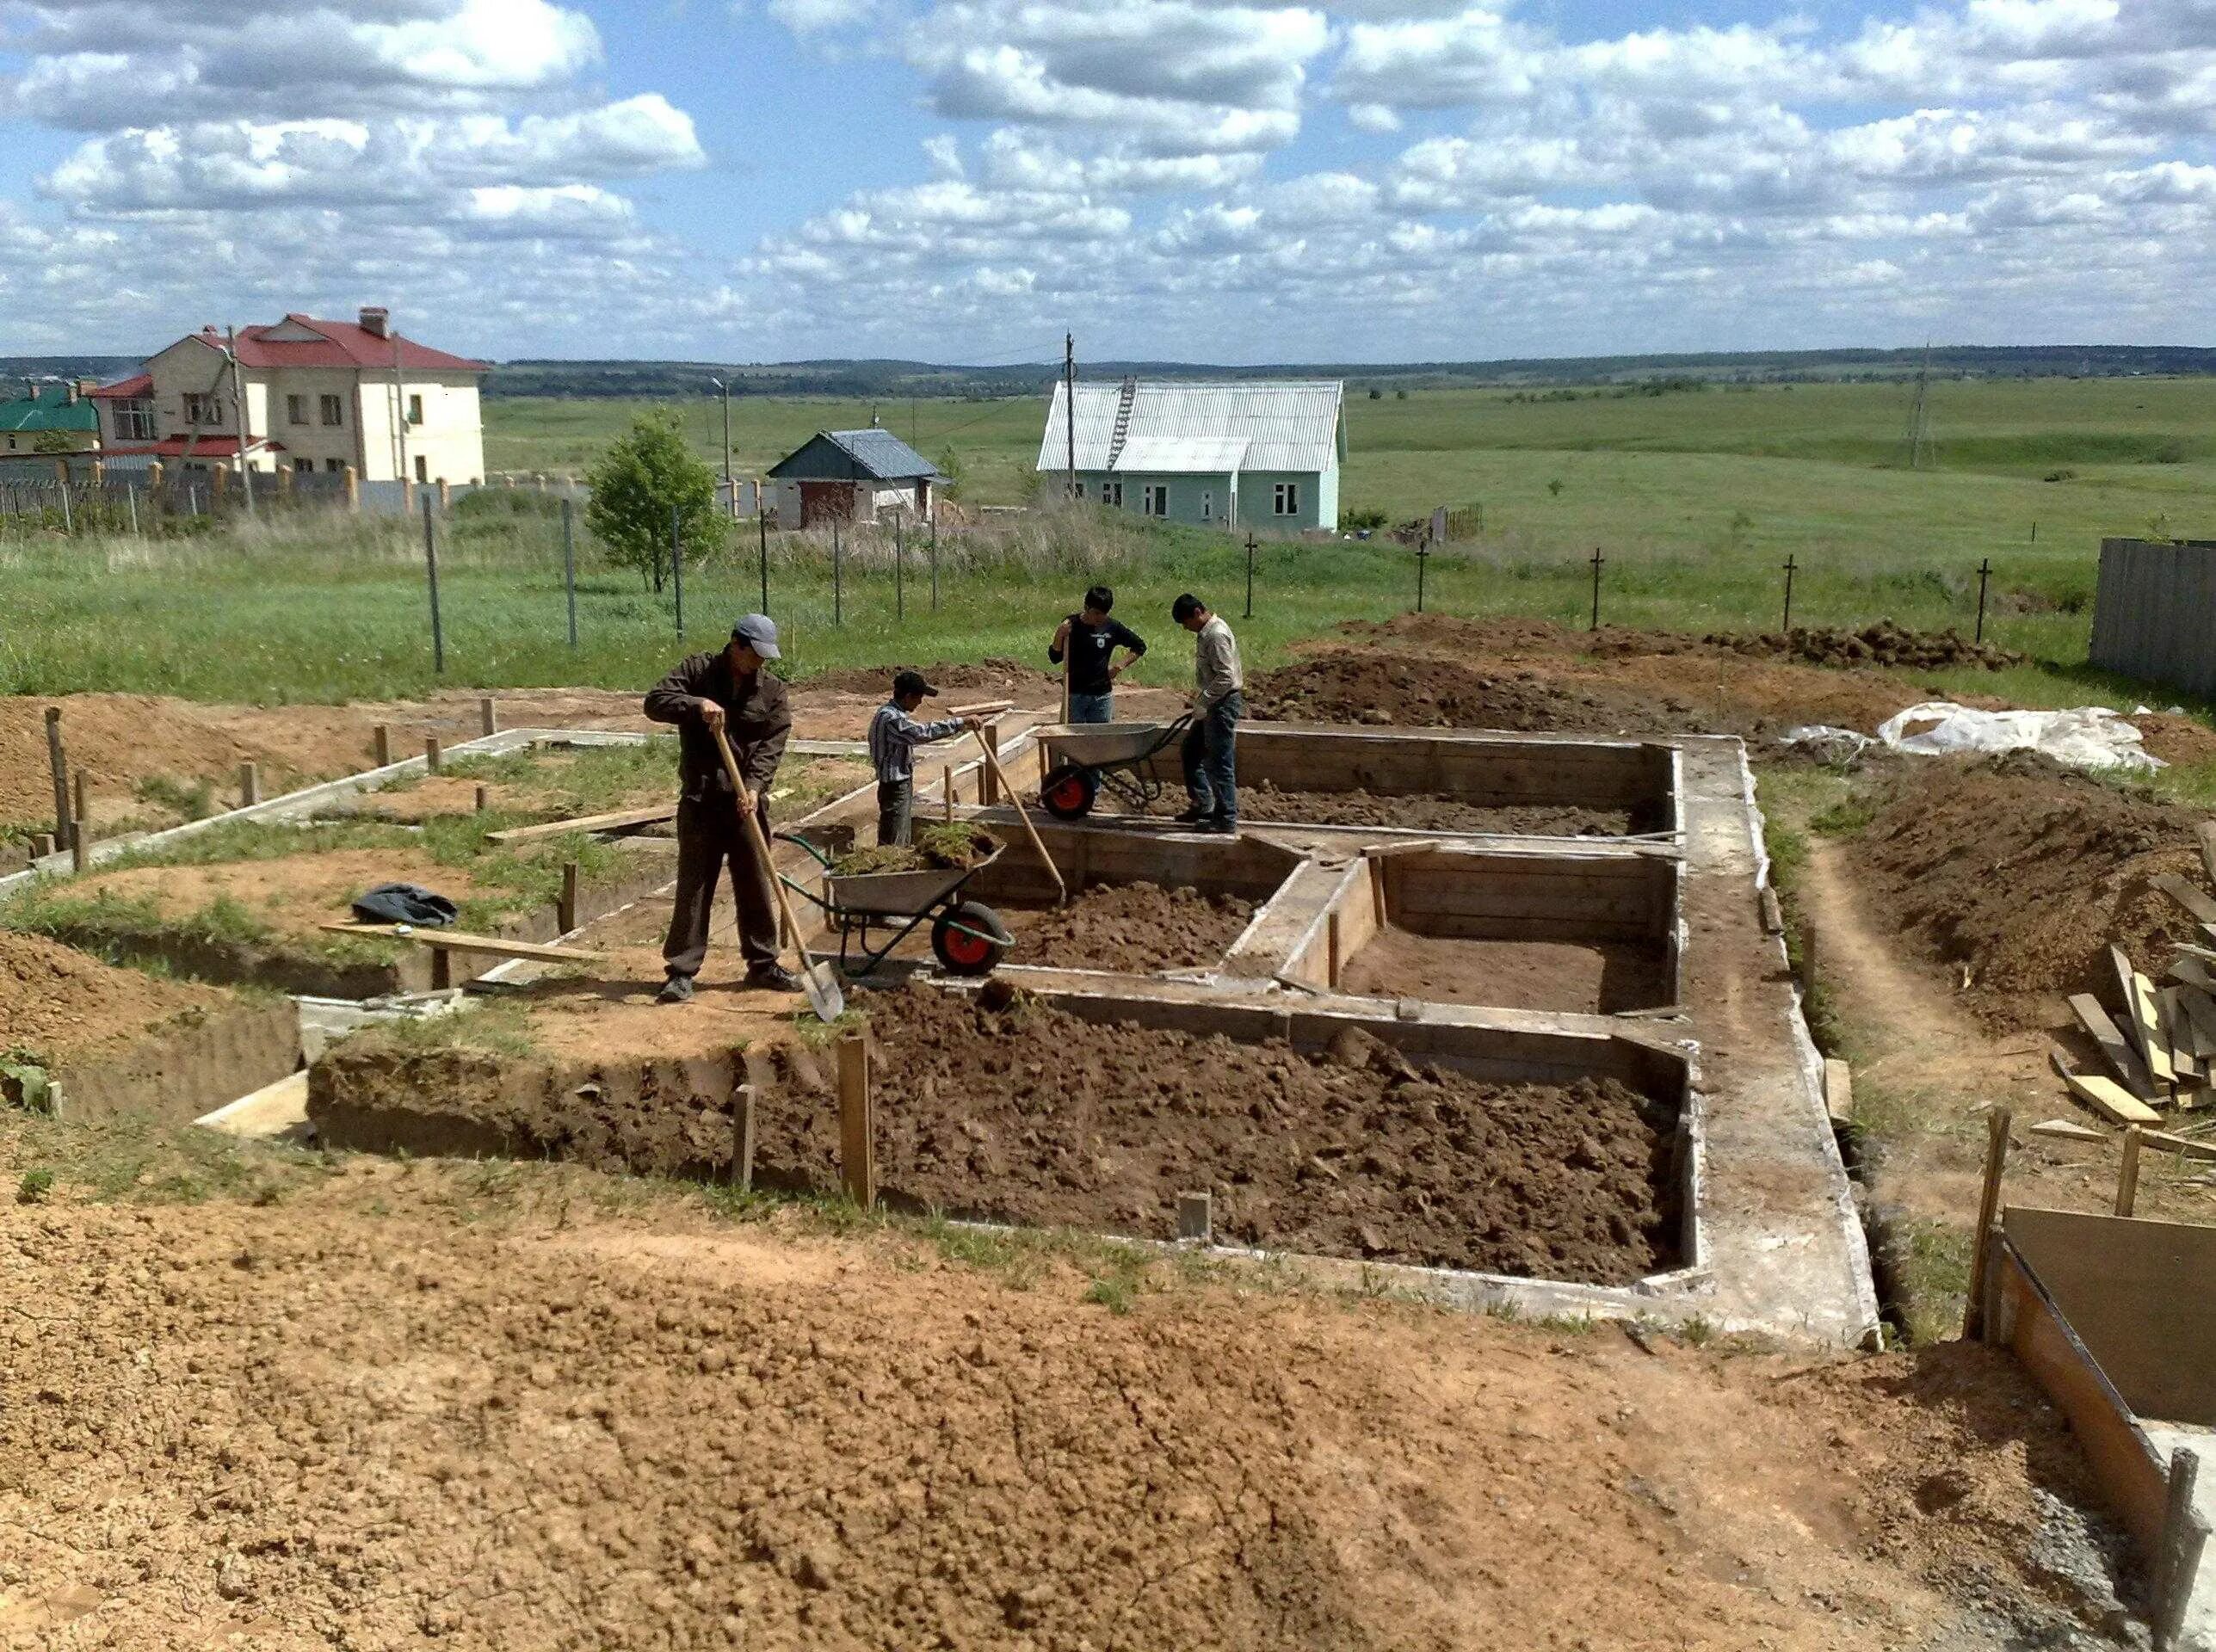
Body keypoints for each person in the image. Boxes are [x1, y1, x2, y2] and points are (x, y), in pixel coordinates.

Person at [643, 614, 799, 1003]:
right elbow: (654, 702)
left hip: (745, 804)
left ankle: (763, 964)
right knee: (695, 886)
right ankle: (681, 971)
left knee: (756, 884)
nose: (760, 663)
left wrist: (755, 787)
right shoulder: (698, 671)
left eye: (766, 657)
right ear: (736, 644)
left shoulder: (772, 692)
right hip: (702, 801)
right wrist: (696, 705)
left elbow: (773, 742)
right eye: (755, 655)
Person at [867, 671, 979, 846]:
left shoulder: (889, 713)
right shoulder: (891, 718)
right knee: (894, 841)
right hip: (894, 787)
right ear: (908, 696)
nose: (920, 703)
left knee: (900, 835)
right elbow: (921, 733)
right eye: (918, 698)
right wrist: (959, 723)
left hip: (897, 784)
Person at [1171, 593, 1242, 833]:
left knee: (1219, 762)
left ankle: (1226, 818)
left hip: (1221, 704)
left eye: (1186, 622)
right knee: (1191, 751)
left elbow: (1225, 676)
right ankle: (1202, 804)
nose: (1185, 628)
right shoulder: (1206, 633)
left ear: (1197, 613)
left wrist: (1205, 701)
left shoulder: (1215, 635)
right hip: (1212, 703)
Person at [1048, 585, 1147, 724]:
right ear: (1086, 607)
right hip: (1074, 694)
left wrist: (1119, 666)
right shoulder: (1072, 624)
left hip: (1101, 696)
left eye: (1103, 613)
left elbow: (1139, 646)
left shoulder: (1112, 627)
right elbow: (1055, 657)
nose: (1099, 617)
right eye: (1096, 613)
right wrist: (1059, 634)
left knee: (1100, 741)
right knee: (1073, 740)